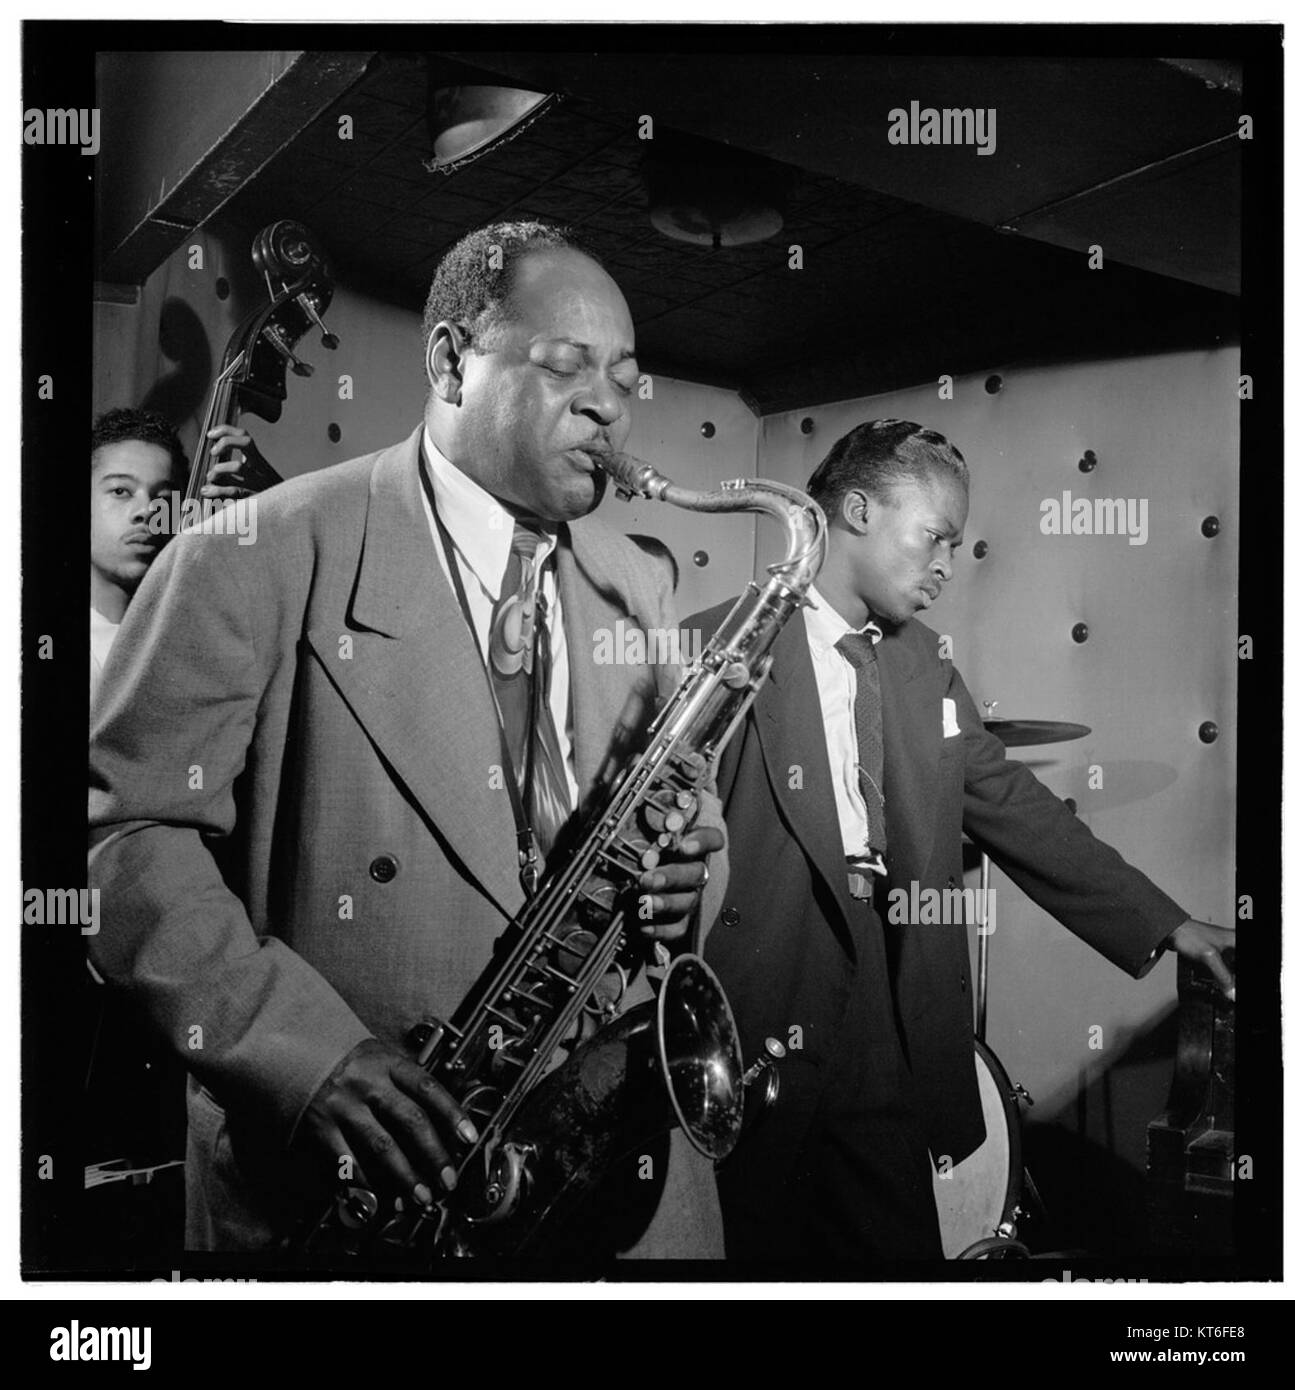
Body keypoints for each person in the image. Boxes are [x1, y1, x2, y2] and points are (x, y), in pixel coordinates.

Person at [88, 220, 727, 1263]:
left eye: (623, 375)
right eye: (566, 366)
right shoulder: (249, 556)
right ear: (448, 360)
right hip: (384, 1190)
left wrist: (691, 869)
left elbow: (680, 808)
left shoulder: (638, 578)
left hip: (624, 1173)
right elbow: (125, 842)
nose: (608, 404)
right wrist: (306, 1057)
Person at [688, 418, 1235, 1263]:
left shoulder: (926, 666)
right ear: (858, 511)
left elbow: (1018, 807)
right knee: (741, 1247)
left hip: (891, 997)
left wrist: (1165, 925)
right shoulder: (710, 642)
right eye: (935, 537)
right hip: (752, 994)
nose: (947, 565)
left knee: (895, 1256)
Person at [90, 407, 276, 703]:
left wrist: (273, 502)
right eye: (121, 491)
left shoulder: (194, 635)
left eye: (163, 498)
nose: (148, 511)